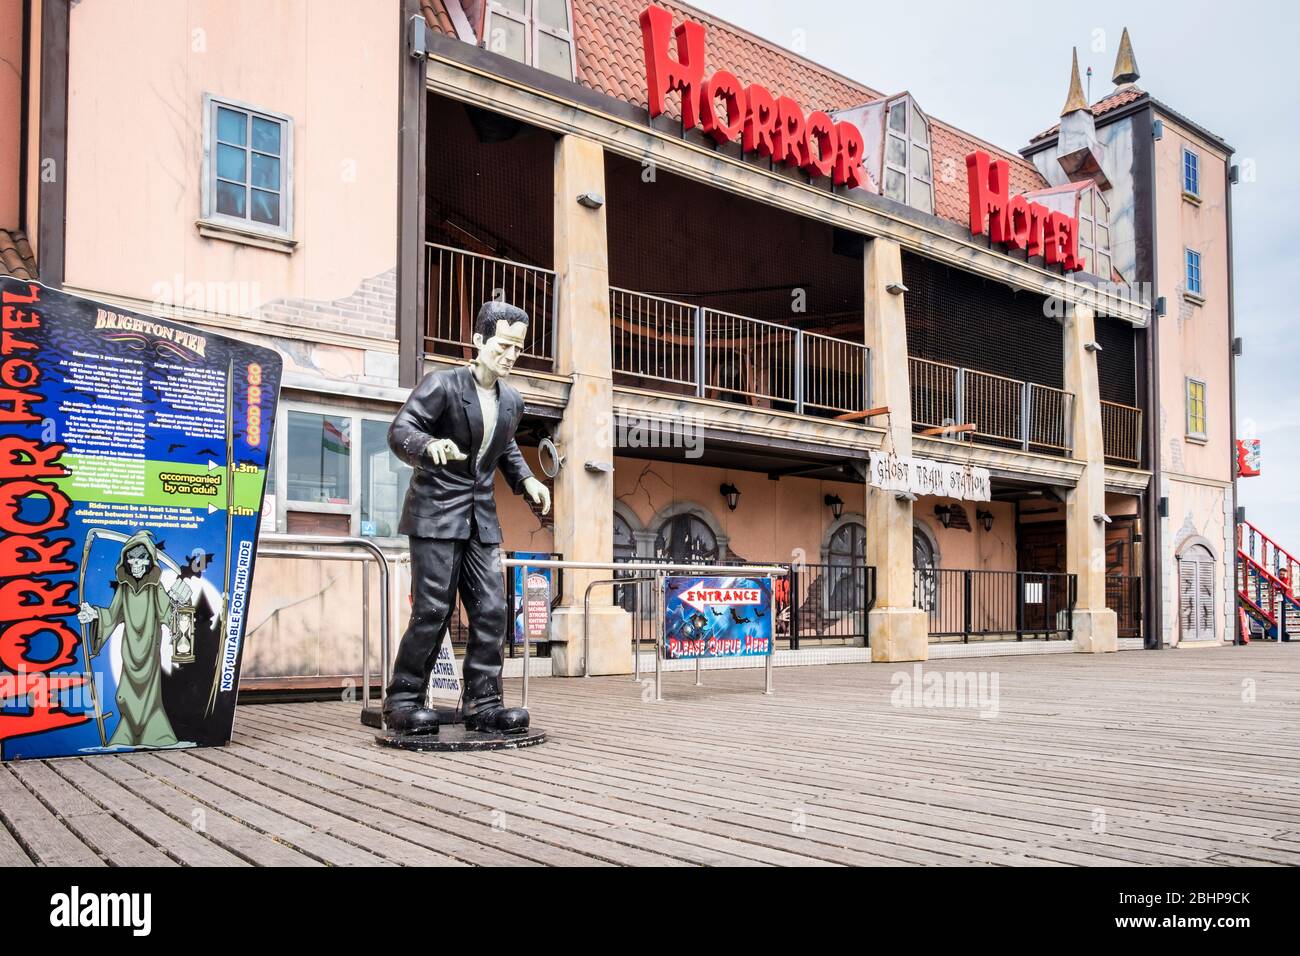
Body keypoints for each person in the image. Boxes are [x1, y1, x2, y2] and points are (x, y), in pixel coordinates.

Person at [384, 301, 551, 735]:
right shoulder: (442, 384)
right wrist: (427, 446)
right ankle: (403, 701)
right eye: (503, 344)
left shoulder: (511, 399)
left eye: (518, 347)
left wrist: (527, 481)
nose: (511, 354)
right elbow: (401, 430)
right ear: (478, 341)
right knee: (433, 611)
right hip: (435, 512)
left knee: (492, 608)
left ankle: (484, 703)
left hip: (480, 515)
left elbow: (505, 446)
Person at [77, 530, 193, 748]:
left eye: (141, 558)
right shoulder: (124, 589)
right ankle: (128, 733)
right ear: (125, 561)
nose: (136, 564)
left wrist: (179, 603)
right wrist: (94, 615)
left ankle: (156, 734)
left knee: (149, 698)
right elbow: (111, 616)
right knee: (125, 695)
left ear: (149, 560)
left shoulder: (155, 589)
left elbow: (171, 617)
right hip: (129, 654)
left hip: (149, 656)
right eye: (131, 558)